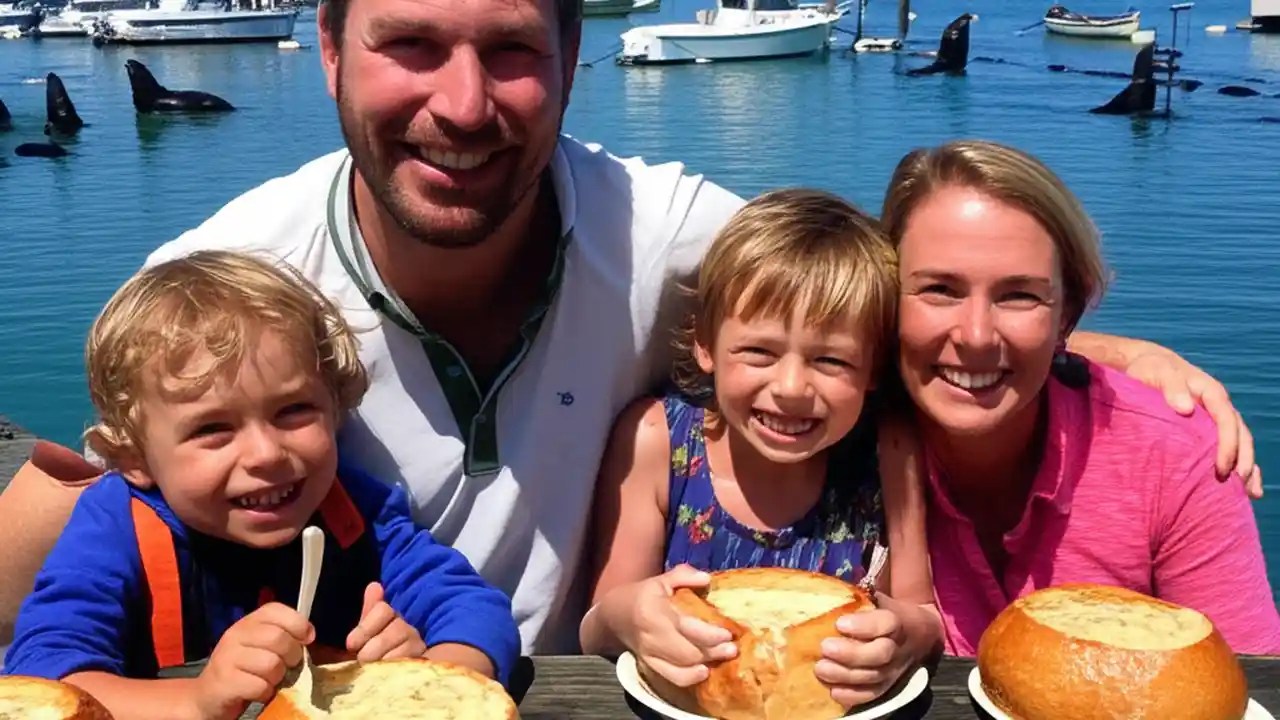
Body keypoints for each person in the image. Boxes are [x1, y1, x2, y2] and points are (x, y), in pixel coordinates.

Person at [0, 0, 1263, 655]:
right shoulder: (226, 289)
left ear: (573, 61)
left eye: (510, 50)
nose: (461, 104)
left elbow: (860, 293)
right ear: (328, 49)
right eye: (410, 44)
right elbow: (82, 503)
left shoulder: (659, 230)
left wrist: (1085, 346)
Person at [3, 251, 521, 720]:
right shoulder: (116, 529)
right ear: (134, 458)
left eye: (293, 410)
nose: (266, 454)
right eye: (212, 429)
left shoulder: (354, 512)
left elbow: (474, 607)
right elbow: (43, 676)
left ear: (335, 407)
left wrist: (429, 678)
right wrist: (196, 701)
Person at [878, 139, 1280, 656]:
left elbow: (1248, 679)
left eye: (1019, 295)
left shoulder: (1171, 458)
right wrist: (1125, 351)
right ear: (884, 298)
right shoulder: (827, 422)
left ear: (1066, 314)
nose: (976, 336)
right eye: (939, 289)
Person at [579, 189, 939, 710]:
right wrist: (629, 616)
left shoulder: (888, 450)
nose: (791, 387)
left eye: (832, 361)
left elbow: (923, 614)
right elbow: (597, 626)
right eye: (758, 352)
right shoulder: (658, 440)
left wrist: (904, 636)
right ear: (705, 344)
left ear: (873, 369)